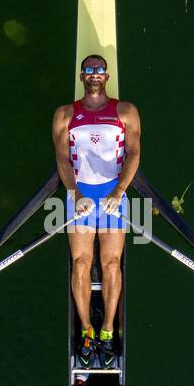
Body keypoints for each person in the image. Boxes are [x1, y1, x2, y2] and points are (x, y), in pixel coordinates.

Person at [52, 54, 141, 368]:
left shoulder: (125, 111)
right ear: (81, 77)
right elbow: (62, 159)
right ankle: (87, 331)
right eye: (88, 70)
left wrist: (119, 191)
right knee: (80, 263)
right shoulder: (65, 114)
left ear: (107, 76)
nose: (94, 74)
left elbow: (134, 154)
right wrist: (75, 194)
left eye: (99, 70)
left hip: (113, 196)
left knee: (112, 263)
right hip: (81, 198)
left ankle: (107, 332)